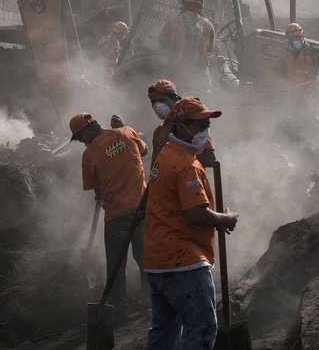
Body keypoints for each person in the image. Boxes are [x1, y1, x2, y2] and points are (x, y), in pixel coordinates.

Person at [144, 97, 238, 350]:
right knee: (202, 328)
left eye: (208, 124)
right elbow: (195, 213)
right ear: (182, 125)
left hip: (158, 260)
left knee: (164, 332)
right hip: (183, 261)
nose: (206, 130)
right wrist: (224, 219)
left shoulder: (166, 154)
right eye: (201, 124)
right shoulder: (185, 165)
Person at [71, 112, 147, 318]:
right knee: (146, 259)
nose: (81, 142)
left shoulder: (89, 155)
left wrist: (101, 193)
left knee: (116, 266)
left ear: (88, 130)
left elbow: (94, 187)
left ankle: (119, 310)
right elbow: (144, 151)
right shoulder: (127, 131)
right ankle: (151, 302)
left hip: (116, 217)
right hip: (142, 210)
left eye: (79, 137)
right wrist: (121, 130)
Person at [147, 79, 216, 167]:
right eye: (153, 102)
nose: (157, 105)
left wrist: (186, 148)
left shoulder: (193, 123)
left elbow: (209, 160)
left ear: (175, 98)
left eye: (161, 100)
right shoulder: (159, 132)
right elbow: (155, 166)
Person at [159, 0, 216, 91]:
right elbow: (210, 50)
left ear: (184, 3)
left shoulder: (172, 21)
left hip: (176, 75)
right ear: (200, 5)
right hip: (201, 78)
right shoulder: (209, 25)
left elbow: (162, 43)